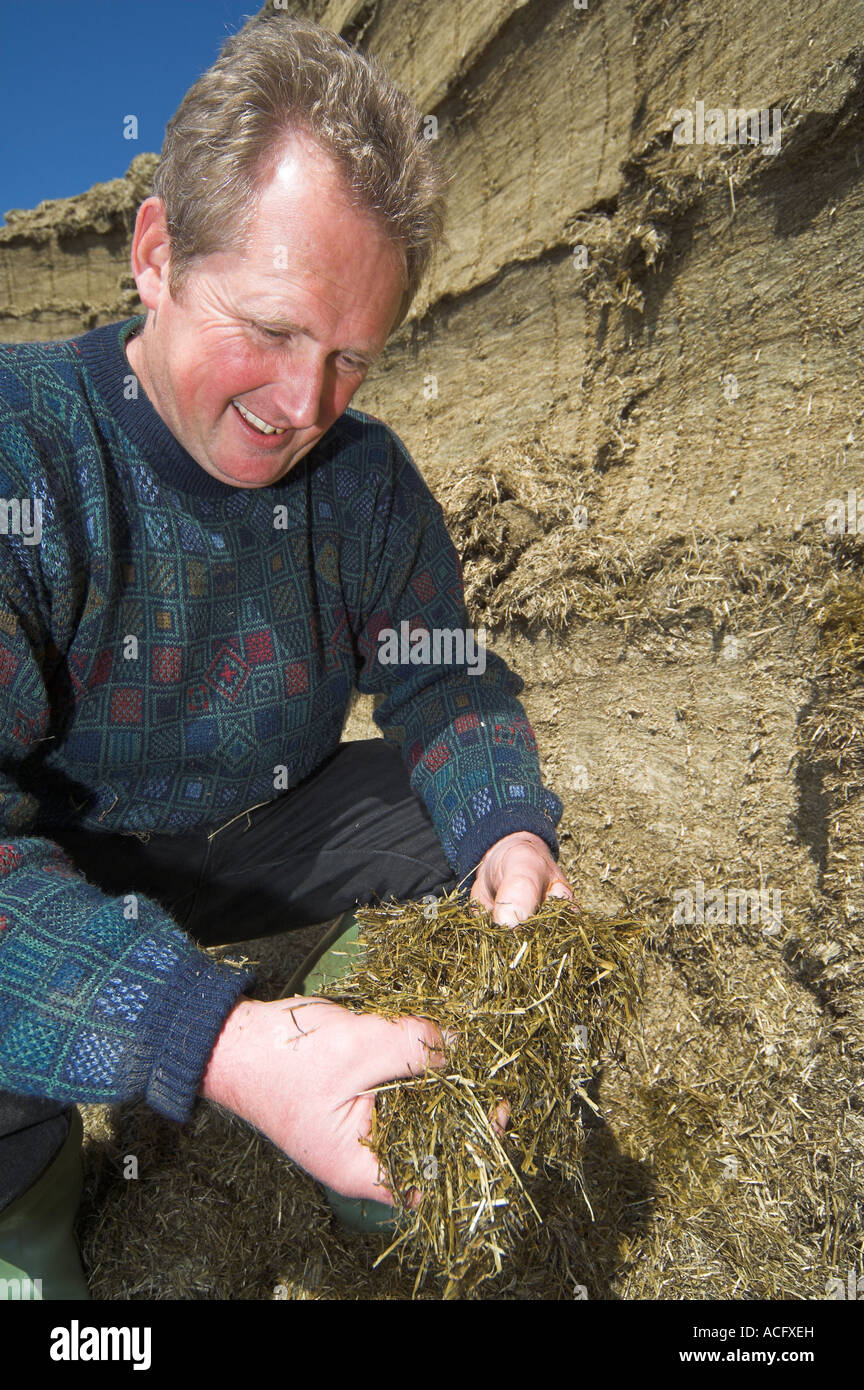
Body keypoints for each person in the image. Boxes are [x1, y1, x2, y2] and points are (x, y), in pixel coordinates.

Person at [0, 12, 573, 1300]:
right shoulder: (19, 450)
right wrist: (220, 1043)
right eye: (268, 328)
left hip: (261, 833)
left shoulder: (366, 485)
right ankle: (27, 1203)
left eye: (350, 358)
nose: (302, 409)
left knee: (438, 827)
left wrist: (507, 833)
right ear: (155, 253)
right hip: (55, 852)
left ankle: (389, 1124)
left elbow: (442, 677)